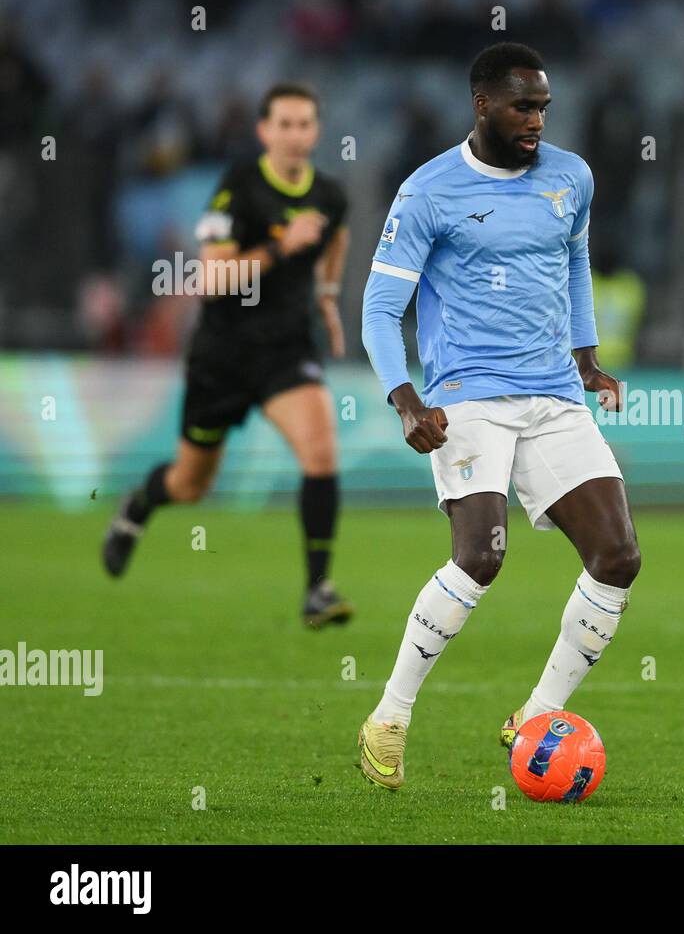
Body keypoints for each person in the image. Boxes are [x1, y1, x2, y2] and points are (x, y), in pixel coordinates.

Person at [356, 43, 641, 791]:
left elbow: (573, 264)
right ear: (482, 105)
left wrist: (585, 356)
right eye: (523, 106)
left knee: (619, 558)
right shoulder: (428, 192)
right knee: (481, 556)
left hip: (552, 393)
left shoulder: (571, 177)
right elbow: (381, 309)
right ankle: (389, 717)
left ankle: (538, 714)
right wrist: (405, 396)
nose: (537, 120)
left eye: (544, 106)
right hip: (468, 397)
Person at [101, 82, 354, 629]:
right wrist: (279, 247)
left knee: (321, 450)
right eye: (283, 124)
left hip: (286, 350)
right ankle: (138, 507)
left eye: (304, 124)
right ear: (264, 131)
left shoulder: (330, 196)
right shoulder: (238, 187)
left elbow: (336, 238)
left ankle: (317, 588)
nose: (294, 134)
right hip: (222, 355)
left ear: (316, 131)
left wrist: (329, 299)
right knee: (190, 486)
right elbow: (212, 280)